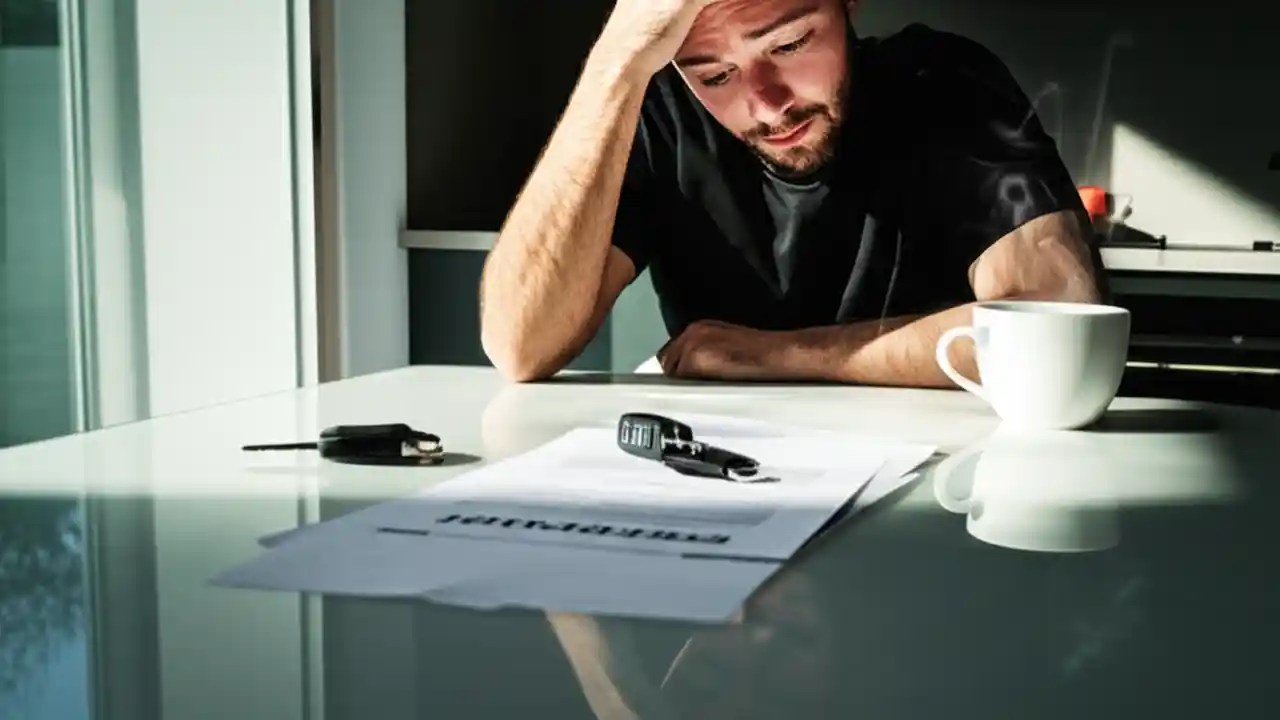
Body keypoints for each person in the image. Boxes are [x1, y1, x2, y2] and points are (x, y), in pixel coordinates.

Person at [480, 0, 1104, 384]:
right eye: (715, 75)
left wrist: (775, 356)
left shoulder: (944, 85)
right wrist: (616, 63)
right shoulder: (663, 117)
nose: (766, 104)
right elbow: (518, 347)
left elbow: (1059, 323)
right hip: (730, 483)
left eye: (789, 44)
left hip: (946, 483)